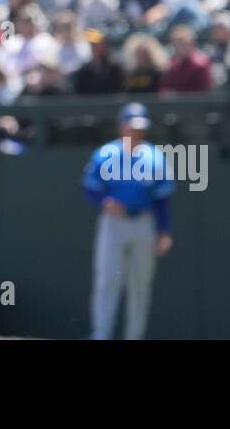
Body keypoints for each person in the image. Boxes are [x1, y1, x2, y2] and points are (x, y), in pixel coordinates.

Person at [81, 103, 174, 340]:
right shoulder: (105, 154)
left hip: (144, 222)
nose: (137, 132)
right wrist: (105, 201)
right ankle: (101, 335)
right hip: (113, 223)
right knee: (107, 280)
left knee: (140, 285)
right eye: (132, 127)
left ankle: (135, 336)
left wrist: (164, 231)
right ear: (122, 127)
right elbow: (90, 188)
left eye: (140, 128)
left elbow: (162, 199)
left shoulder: (155, 157)